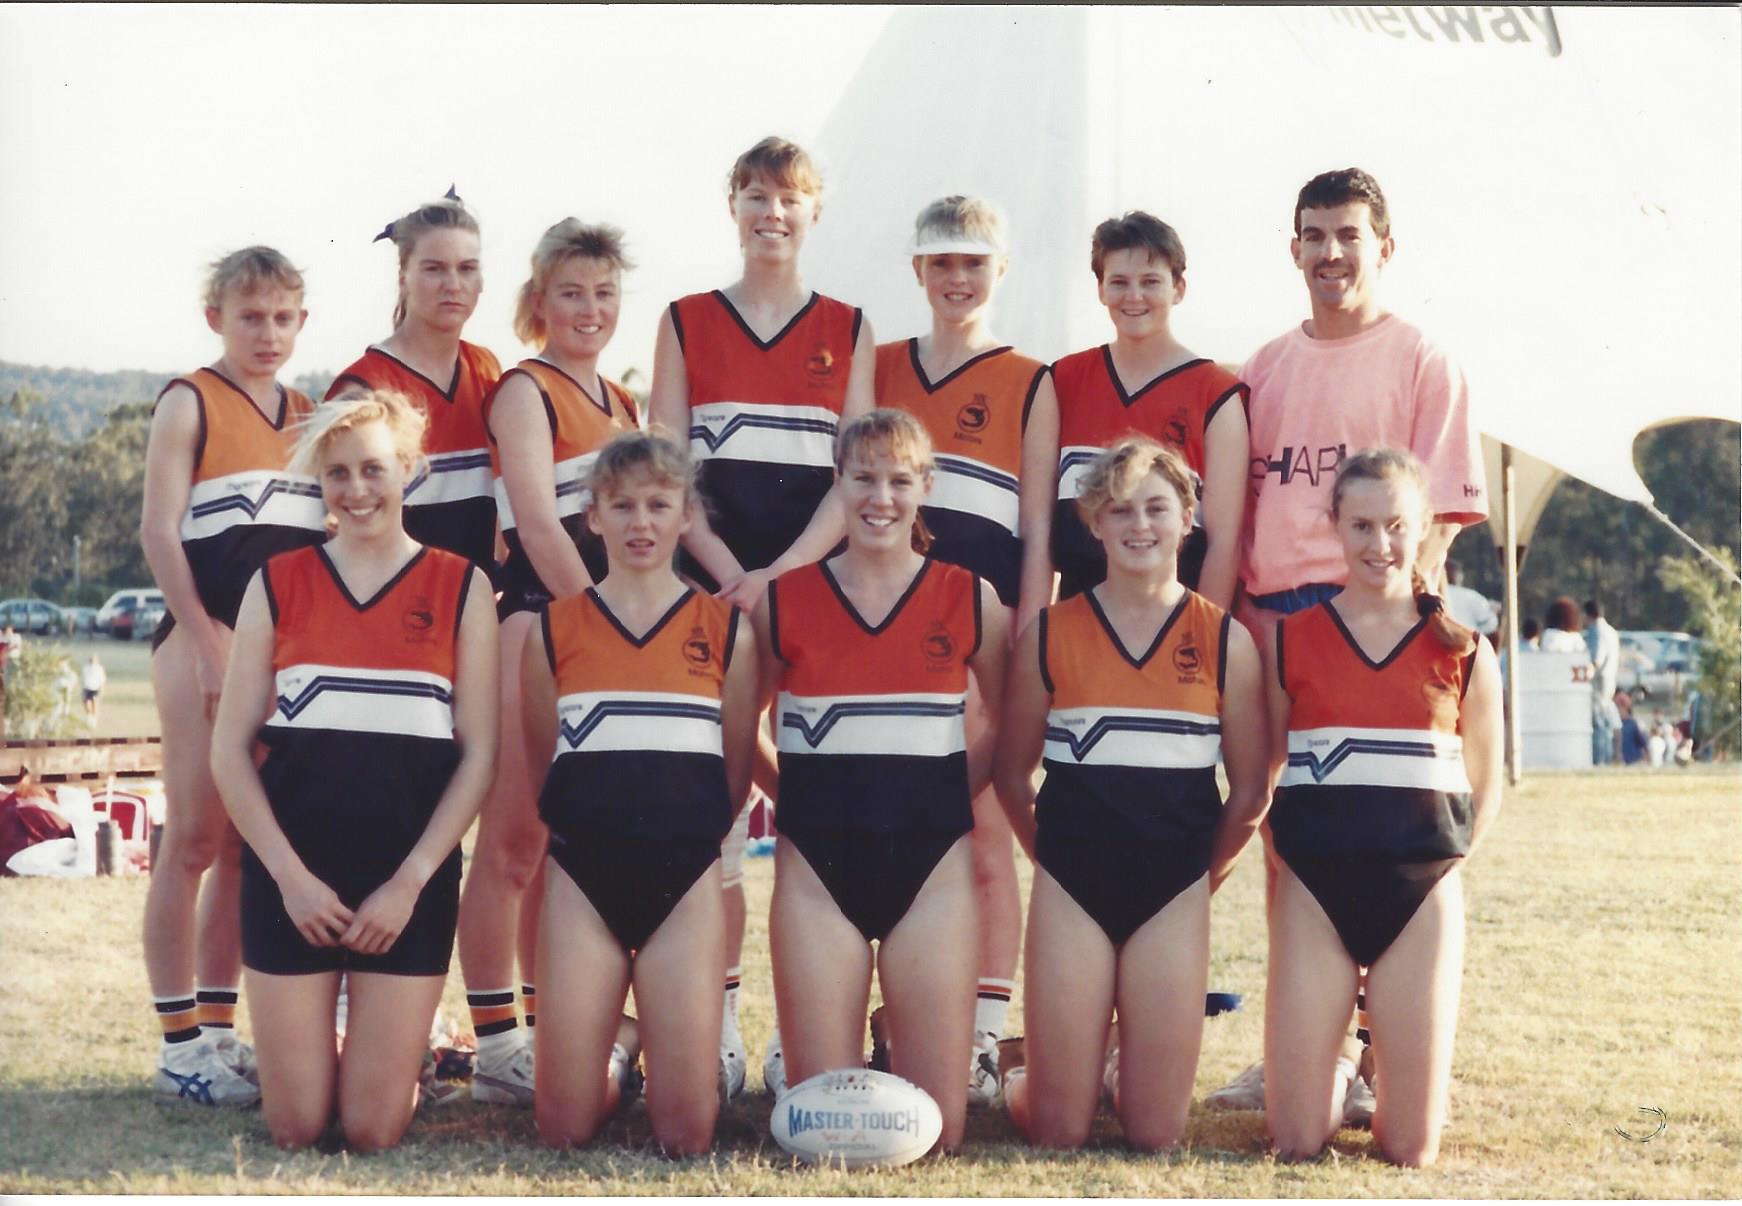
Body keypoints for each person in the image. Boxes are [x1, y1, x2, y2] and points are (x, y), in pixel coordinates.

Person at [1212, 167, 1489, 1118]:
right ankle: (1302, 1055)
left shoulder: (1421, 359)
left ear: (1384, 246)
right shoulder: (1264, 365)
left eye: (1349, 235)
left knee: (1395, 839)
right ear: (1293, 249)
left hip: (1373, 623)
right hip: (1275, 620)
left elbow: (1442, 517)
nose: (1331, 254)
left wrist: (1398, 620)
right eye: (1314, 236)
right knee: (1289, 843)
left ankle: (1380, 1062)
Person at [209, 390, 497, 1151]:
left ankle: (407, 1053)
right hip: (293, 878)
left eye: (374, 469)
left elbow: (480, 756)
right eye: (338, 474)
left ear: (410, 469)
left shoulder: (462, 586)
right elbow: (228, 750)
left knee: (370, 1130)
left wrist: (410, 884)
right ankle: (345, 1044)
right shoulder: (277, 582)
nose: (357, 489)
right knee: (298, 1125)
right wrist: (289, 879)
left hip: (406, 882)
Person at [649, 136, 877, 1098]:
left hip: (811, 584)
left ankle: (806, 1032)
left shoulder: (851, 325)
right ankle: (724, 1023)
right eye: (753, 196)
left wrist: (780, 575)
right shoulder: (686, 319)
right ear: (731, 207)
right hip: (712, 581)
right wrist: (730, 573)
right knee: (717, 812)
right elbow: (664, 471)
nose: (770, 213)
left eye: (788, 198)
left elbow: (854, 476)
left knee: (821, 798)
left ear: (814, 211)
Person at [993, 437, 1268, 1150]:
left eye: (1156, 507)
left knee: (1155, 1136)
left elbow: (1250, 790)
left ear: (1188, 519)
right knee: (1057, 1130)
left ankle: (1111, 1066)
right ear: (1094, 523)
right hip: (1071, 886)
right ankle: (1026, 1073)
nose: (1138, 525)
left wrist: (1197, 882)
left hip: (1173, 890)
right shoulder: (1051, 632)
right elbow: (1011, 773)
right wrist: (1051, 860)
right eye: (1120, 510)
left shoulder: (1226, 641)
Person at [751, 409, 1009, 1151]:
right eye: (863, 478)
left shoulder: (968, 595)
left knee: (939, 1134)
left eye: (900, 480)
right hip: (816, 875)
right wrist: (790, 795)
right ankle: (812, 1045)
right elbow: (745, 728)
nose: (881, 498)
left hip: (932, 870)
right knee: (820, 1130)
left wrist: (954, 793)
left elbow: (1011, 719)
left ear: (926, 487)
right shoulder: (786, 598)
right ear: (838, 483)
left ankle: (956, 1052)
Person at [1263, 448, 1501, 1167]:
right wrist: (1290, 870)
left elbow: (1486, 786)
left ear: (1425, 526)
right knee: (1298, 1141)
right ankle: (1337, 1067)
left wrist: (1442, 866)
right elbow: (1264, 771)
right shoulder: (1289, 640)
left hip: (1419, 891)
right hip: (1316, 889)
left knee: (1409, 1148)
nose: (1380, 544)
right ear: (1334, 525)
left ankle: (1378, 1066)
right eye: (1362, 525)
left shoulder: (1462, 648)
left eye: (1397, 525)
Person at [522, 429, 758, 1152]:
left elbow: (736, 768)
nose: (642, 524)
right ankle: (617, 1052)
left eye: (660, 505)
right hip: (582, 879)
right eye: (622, 506)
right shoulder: (553, 629)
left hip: (683, 880)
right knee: (562, 1129)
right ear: (593, 516)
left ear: (688, 514)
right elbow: (542, 763)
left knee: (686, 1135)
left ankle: (671, 1049)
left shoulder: (727, 632)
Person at [872, 195, 1057, 1104]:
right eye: (941, 263)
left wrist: (1022, 641)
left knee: (983, 832)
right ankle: (884, 1024)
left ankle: (983, 1034)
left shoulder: (1031, 379)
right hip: (884, 634)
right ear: (918, 271)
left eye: (974, 264)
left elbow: (1034, 528)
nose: (957, 279)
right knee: (880, 826)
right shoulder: (875, 368)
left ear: (1000, 271)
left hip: (979, 633)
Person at [139, 246, 329, 1106]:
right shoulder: (189, 400)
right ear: (215, 317)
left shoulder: (310, 414)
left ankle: (217, 1031)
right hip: (200, 638)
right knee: (193, 842)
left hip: (277, 651)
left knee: (249, 849)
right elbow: (159, 532)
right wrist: (207, 642)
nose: (268, 333)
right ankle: (179, 1046)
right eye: (251, 317)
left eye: (284, 318)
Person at [459, 221, 643, 1106]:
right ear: (539, 300)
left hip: (602, 638)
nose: (590, 310)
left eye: (605, 293)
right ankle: (497, 1047)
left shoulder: (623, 400)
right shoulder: (523, 390)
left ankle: (542, 1032)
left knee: (560, 844)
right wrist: (597, 625)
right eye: (572, 292)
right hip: (539, 625)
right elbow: (535, 521)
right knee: (511, 842)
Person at [1044, 212, 1248, 609]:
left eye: (1150, 281)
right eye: (1119, 282)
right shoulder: (1063, 378)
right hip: (1077, 618)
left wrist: (1205, 638)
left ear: (1179, 288)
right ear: (1101, 289)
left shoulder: (1216, 393)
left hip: (1172, 619)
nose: (1134, 296)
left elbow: (1225, 540)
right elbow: (1040, 527)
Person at [326, 192, 502, 573]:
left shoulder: (487, 369)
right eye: (435, 268)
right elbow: (334, 525)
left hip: (476, 605)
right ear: (403, 276)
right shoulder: (363, 387)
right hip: (393, 607)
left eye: (467, 268)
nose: (453, 284)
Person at [1584, 600, 1621, 766]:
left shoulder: (1596, 630)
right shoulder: (1612, 631)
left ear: (1588, 614)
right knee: (1606, 723)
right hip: (1610, 680)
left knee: (1598, 723)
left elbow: (1596, 658)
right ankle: (1607, 756)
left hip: (1598, 682)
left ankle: (1600, 759)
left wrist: (1586, 675)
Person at [1443, 559, 1498, 637]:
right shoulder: (1471, 596)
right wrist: (1493, 613)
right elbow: (1489, 624)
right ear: (1458, 575)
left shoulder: (1433, 594)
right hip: (1467, 641)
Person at [81, 654, 107, 724]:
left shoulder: (99, 668)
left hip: (95, 687)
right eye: (91, 659)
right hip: (87, 687)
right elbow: (83, 678)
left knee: (94, 703)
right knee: (86, 702)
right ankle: (89, 716)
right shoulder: (86, 668)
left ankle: (94, 718)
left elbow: (102, 679)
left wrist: (101, 688)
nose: (92, 661)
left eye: (93, 660)